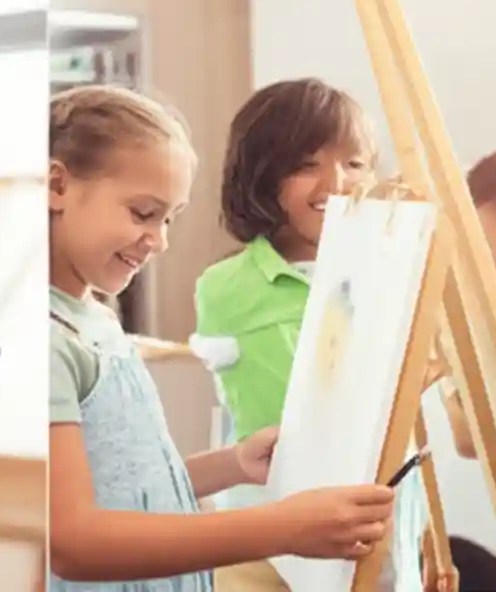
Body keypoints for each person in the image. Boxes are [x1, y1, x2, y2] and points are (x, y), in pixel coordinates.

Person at [48, 84, 396, 591]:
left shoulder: (96, 321)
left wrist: (232, 464)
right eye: (143, 213)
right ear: (57, 185)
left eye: (169, 219)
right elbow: (75, 543)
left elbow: (135, 491)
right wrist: (284, 528)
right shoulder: (50, 341)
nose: (160, 240)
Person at [192, 78, 438, 591]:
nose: (337, 184)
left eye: (355, 163)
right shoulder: (231, 287)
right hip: (277, 542)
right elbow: (303, 416)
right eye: (306, 165)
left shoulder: (388, 270)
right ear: (262, 177)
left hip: (382, 525)